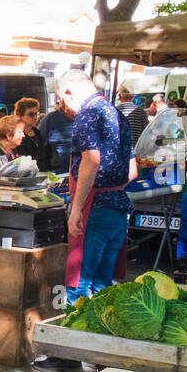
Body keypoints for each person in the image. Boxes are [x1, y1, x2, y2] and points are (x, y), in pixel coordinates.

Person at [60, 69, 135, 303]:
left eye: (62, 100)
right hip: (118, 208)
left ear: (69, 93)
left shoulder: (88, 113)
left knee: (79, 285)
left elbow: (91, 160)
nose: (65, 108)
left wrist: (76, 209)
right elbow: (133, 171)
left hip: (94, 208)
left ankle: (74, 336)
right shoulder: (117, 114)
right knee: (104, 285)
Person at [39, 94, 74, 174]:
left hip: (80, 173)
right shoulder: (50, 120)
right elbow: (39, 145)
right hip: (58, 174)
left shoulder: (84, 119)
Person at [13, 97, 43, 164]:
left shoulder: (37, 132)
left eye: (36, 114)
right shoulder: (16, 135)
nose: (35, 117)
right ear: (20, 116)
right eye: (31, 114)